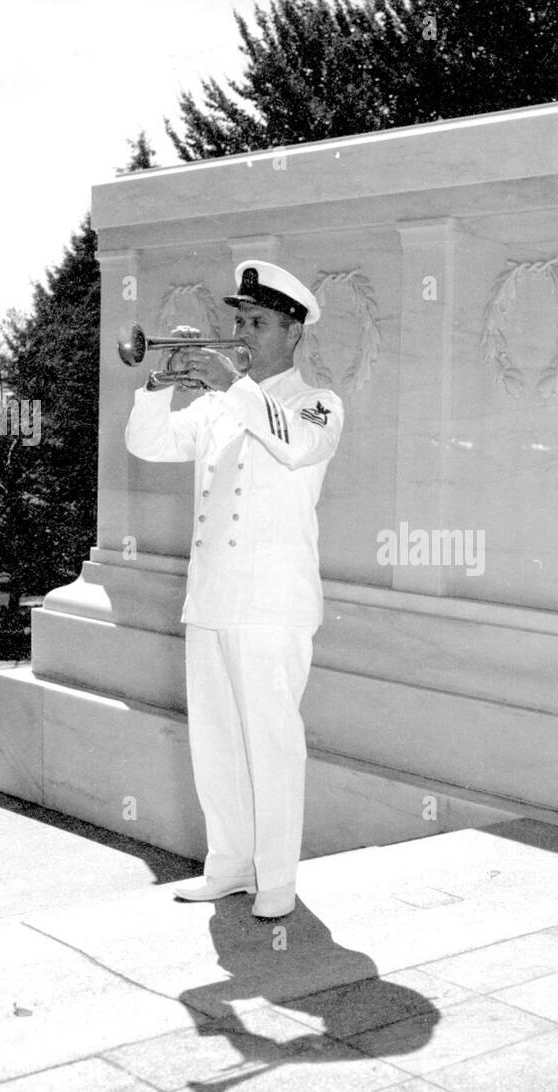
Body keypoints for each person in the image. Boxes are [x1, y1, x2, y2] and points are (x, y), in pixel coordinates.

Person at [124, 261, 344, 919]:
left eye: (256, 322)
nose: (241, 332)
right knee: (216, 741)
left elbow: (294, 446)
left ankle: (276, 879)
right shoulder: (221, 405)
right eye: (239, 320)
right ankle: (229, 865)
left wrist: (237, 386)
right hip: (213, 599)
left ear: (291, 331)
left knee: (271, 742)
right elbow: (148, 442)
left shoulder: (317, 403)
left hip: (273, 605)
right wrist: (161, 382)